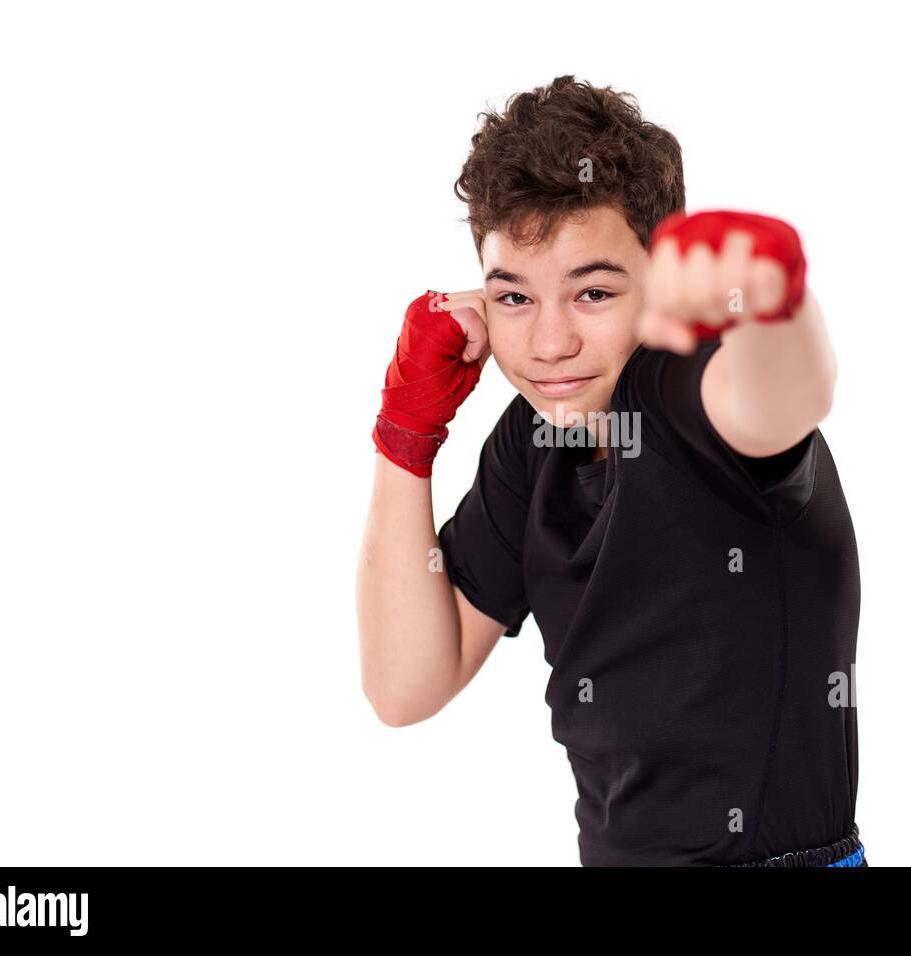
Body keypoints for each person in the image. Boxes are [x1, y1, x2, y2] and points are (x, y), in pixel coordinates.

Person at [356, 75, 865, 867]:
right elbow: (405, 686)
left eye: (592, 291)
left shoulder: (689, 390)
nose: (548, 343)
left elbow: (785, 398)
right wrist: (405, 437)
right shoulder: (532, 441)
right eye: (514, 298)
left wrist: (775, 300)